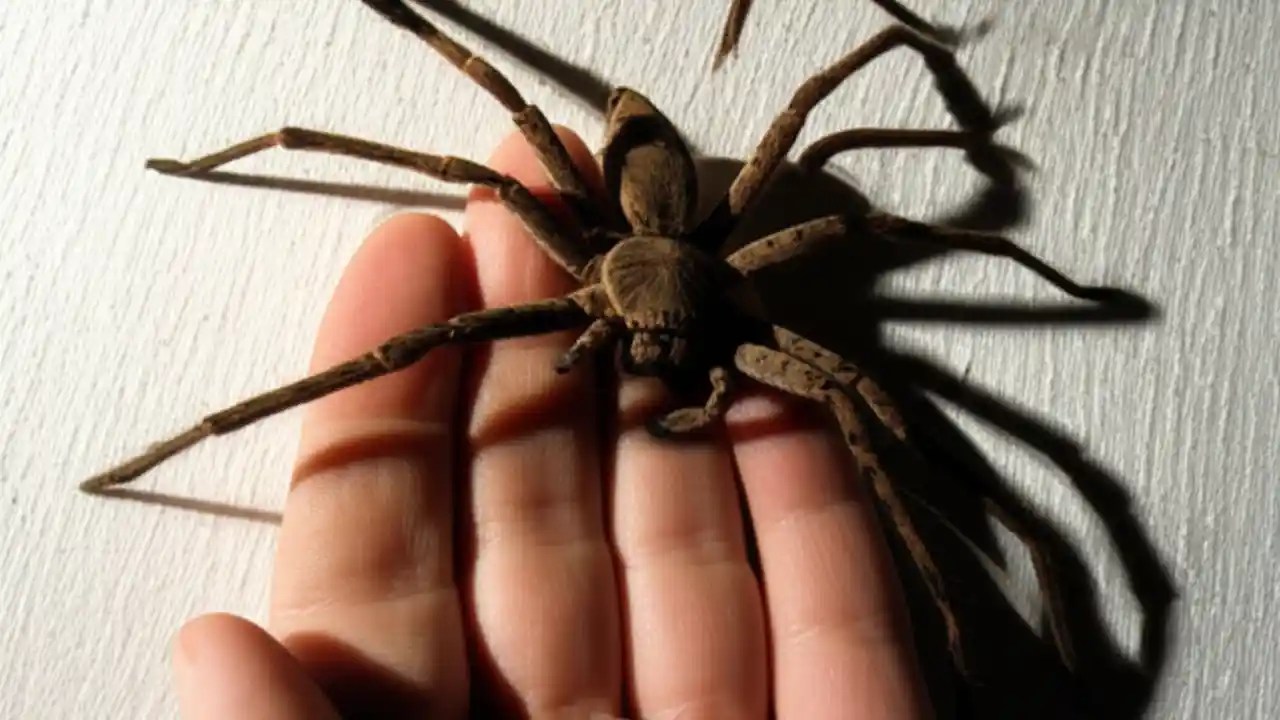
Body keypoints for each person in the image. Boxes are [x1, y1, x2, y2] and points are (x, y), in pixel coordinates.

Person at [170, 128, 932, 719]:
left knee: (845, 391)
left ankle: (963, 597)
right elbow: (491, 189)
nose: (656, 340)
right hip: (627, 246)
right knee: (444, 294)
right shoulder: (590, 277)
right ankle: (279, 158)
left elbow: (845, 361)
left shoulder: (741, 315)